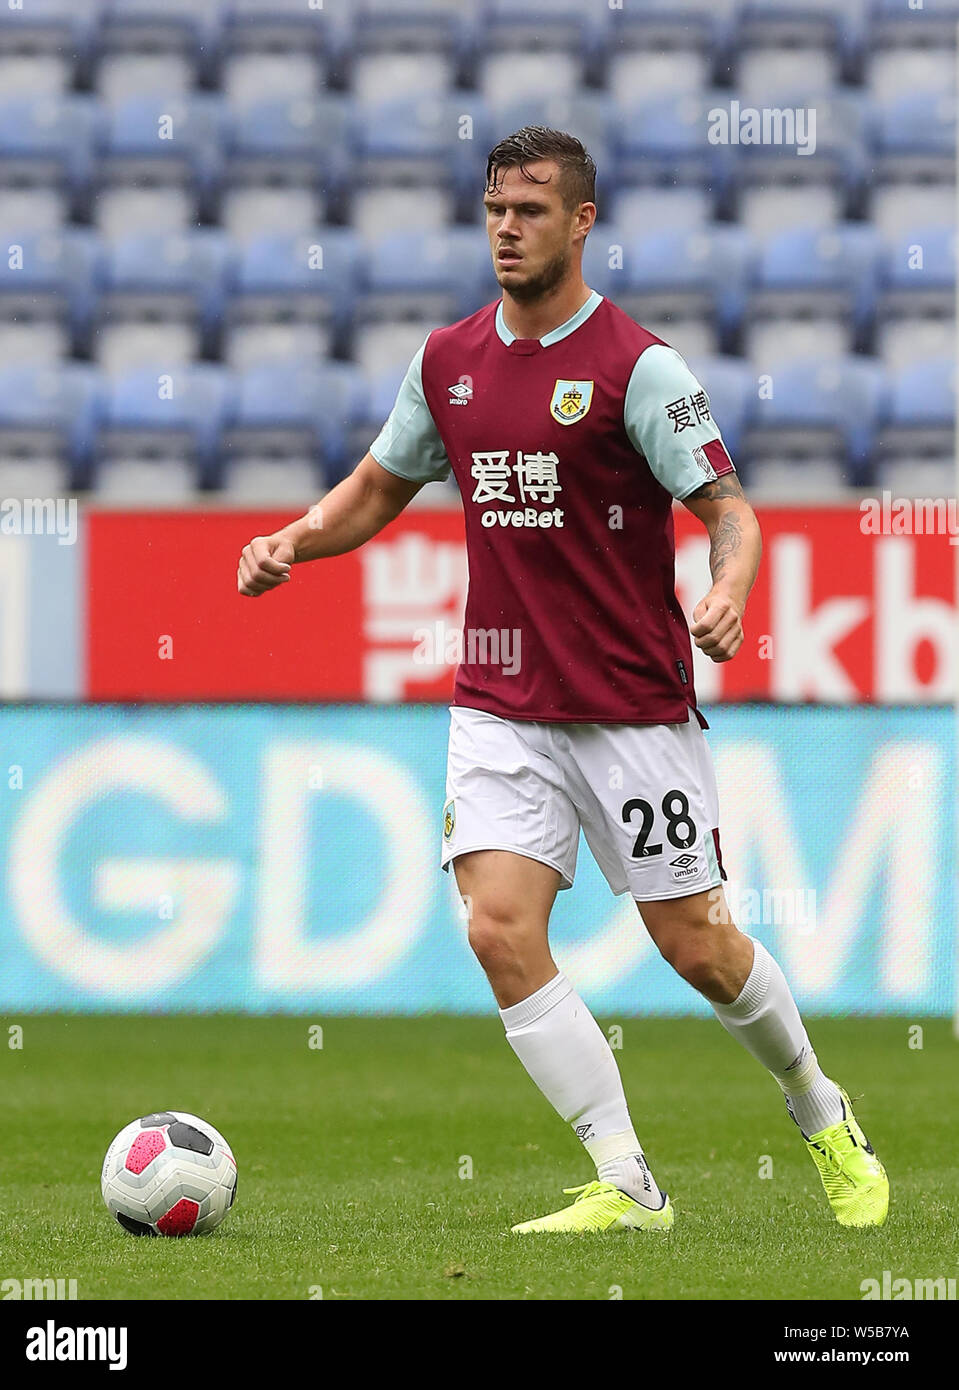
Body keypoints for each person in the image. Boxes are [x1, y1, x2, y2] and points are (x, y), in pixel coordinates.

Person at [237, 126, 888, 1233]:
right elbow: (377, 485)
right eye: (493, 207)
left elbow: (727, 507)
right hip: (498, 701)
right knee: (496, 927)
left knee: (698, 947)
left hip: (629, 703)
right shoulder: (446, 362)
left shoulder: (638, 368)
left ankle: (820, 1112)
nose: (505, 227)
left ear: (580, 222)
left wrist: (726, 590)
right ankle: (625, 1180)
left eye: (529, 210)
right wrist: (295, 539)